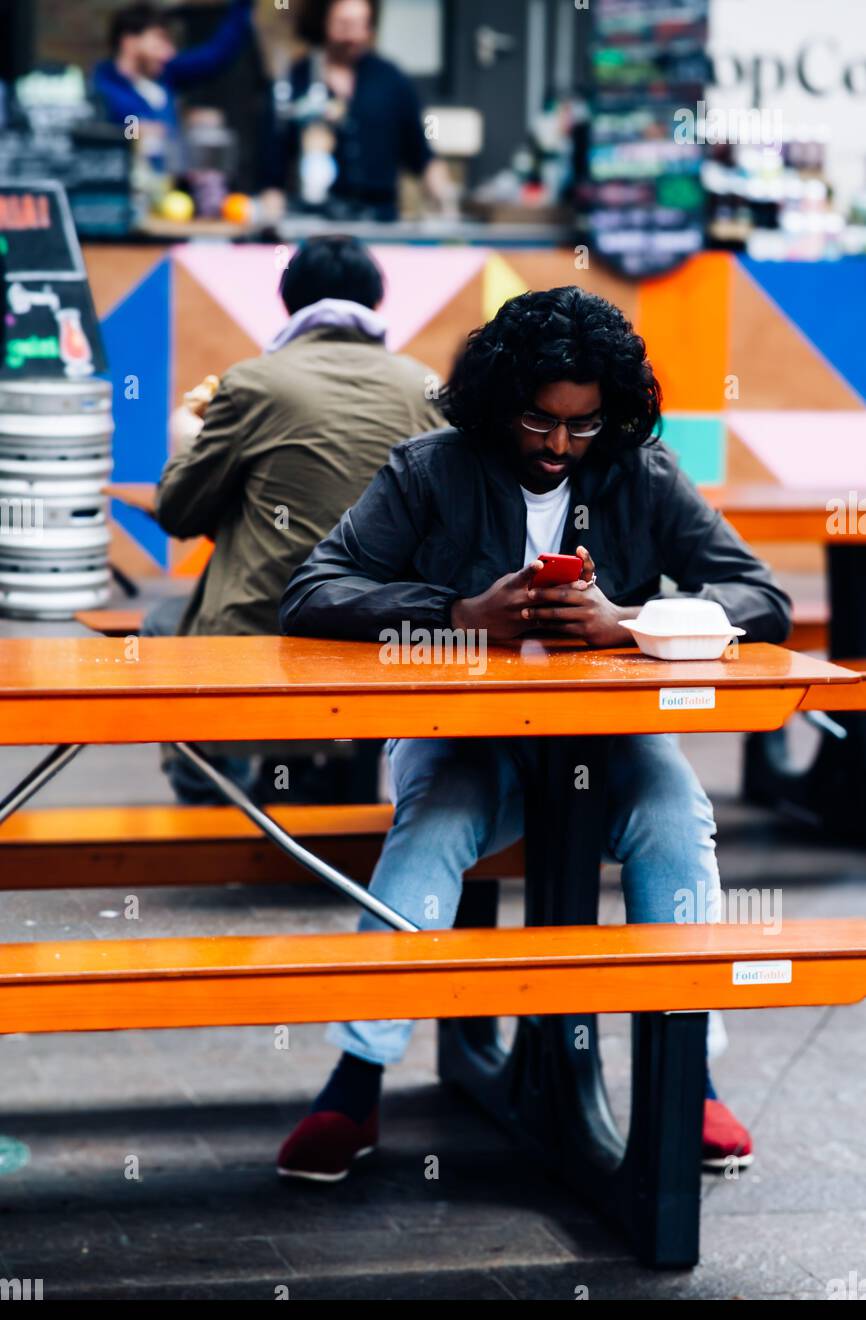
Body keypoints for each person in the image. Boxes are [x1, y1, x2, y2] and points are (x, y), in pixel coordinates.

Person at [276, 285, 793, 1180]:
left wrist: (630, 621)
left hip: (611, 740)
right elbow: (314, 592)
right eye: (539, 421)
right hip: (466, 736)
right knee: (431, 827)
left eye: (584, 426)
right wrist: (458, 614)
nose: (560, 446)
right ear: (495, 402)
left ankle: (688, 1080)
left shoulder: (643, 472)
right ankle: (355, 1084)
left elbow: (763, 599)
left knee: (678, 824)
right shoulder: (430, 468)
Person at [148, 235, 444, 803]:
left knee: (164, 624)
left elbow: (179, 511)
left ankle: (218, 799)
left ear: (288, 301)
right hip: (387, 636)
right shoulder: (423, 385)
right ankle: (325, 789)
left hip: (260, 631)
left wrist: (184, 436)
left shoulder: (254, 382)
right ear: (376, 299)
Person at [264, 0, 456, 220]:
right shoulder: (295, 81)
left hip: (380, 220)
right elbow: (272, 172)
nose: (351, 38)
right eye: (343, 25)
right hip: (313, 219)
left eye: (359, 25)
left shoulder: (391, 79)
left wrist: (446, 201)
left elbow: (422, 156)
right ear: (324, 21)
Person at [92, 0, 254, 129]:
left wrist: (242, 4)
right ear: (130, 41)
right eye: (160, 39)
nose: (169, 53)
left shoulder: (165, 76)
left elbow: (215, 55)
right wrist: (137, 132)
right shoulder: (101, 88)